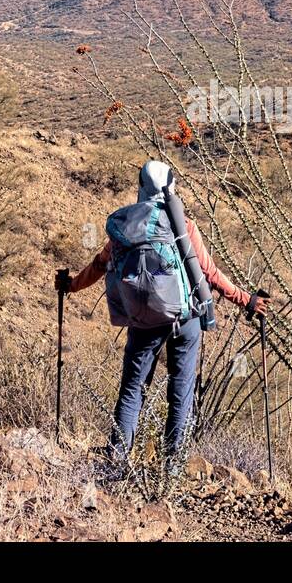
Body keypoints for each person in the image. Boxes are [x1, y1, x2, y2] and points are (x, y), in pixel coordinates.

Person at [55, 161, 268, 460]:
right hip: (185, 319)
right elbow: (209, 273)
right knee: (180, 391)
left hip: (143, 321)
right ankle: (173, 467)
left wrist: (71, 286)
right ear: (171, 186)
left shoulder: (125, 227)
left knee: (133, 388)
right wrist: (246, 299)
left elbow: (100, 265)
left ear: (141, 186)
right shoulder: (183, 227)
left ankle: (116, 458)